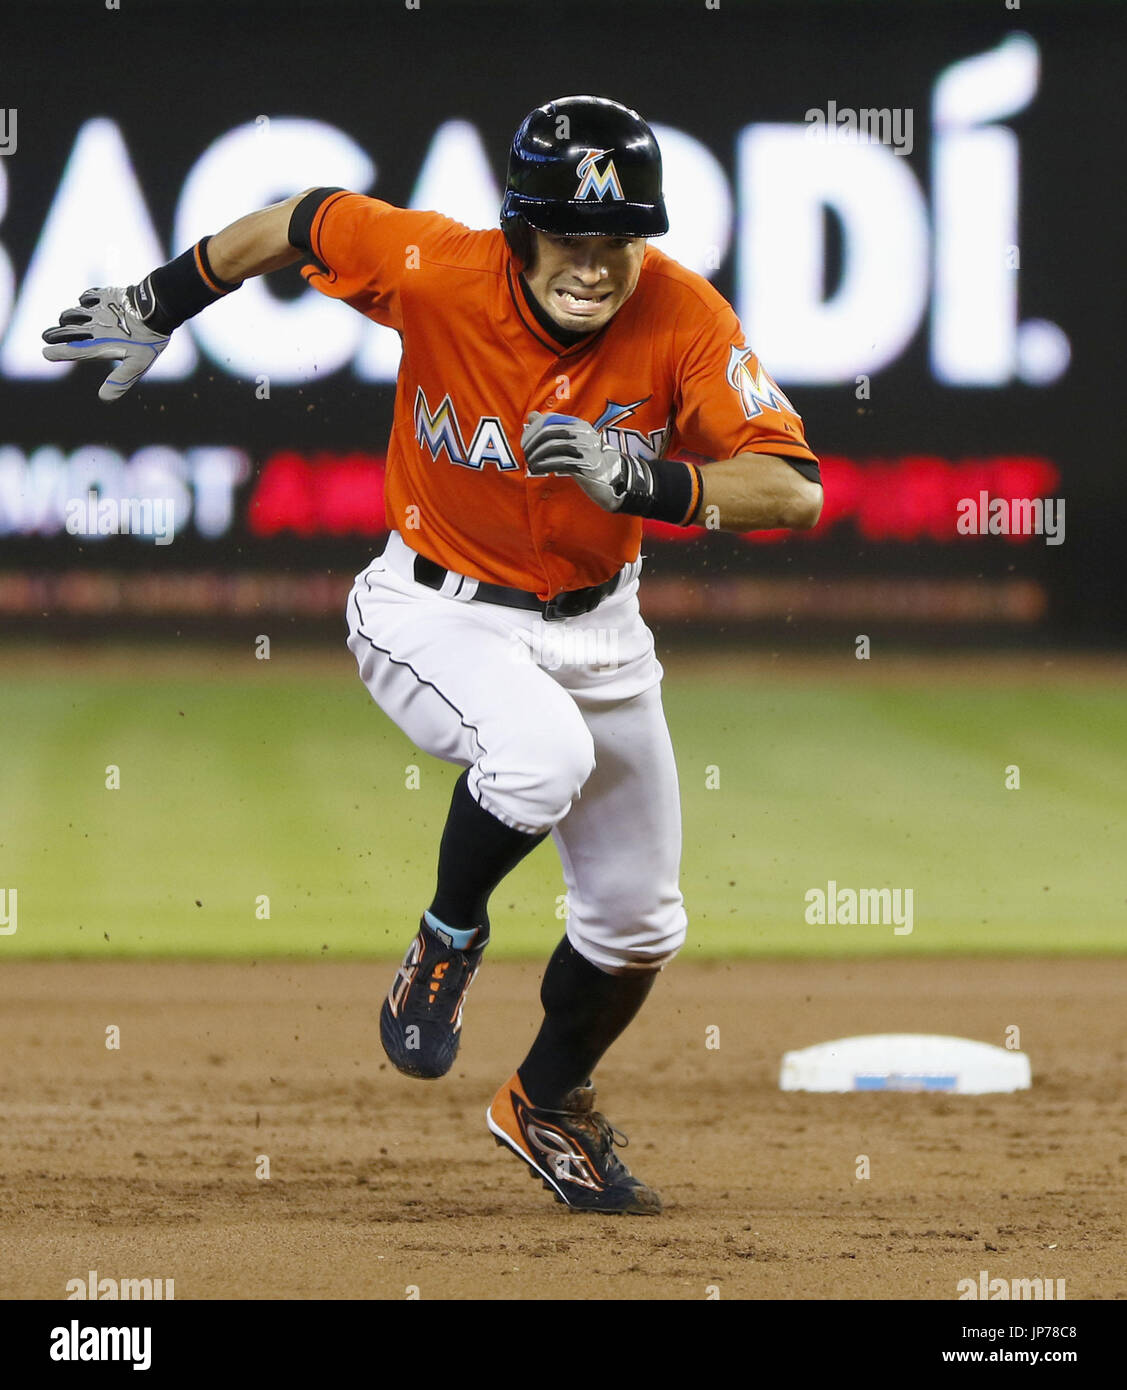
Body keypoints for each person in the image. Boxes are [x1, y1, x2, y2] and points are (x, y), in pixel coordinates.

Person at [42, 95, 822, 1215]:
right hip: (432, 611)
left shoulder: (682, 315)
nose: (594, 265)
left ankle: (545, 1102)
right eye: (568, 234)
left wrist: (648, 479)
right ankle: (449, 935)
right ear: (519, 228)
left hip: (603, 630)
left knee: (639, 920)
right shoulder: (435, 266)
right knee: (538, 755)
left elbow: (792, 491)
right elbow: (298, 219)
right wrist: (160, 302)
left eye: (616, 239)